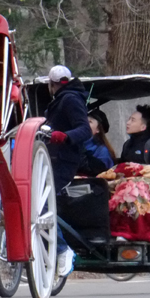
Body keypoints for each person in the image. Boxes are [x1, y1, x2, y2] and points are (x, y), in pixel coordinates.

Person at [44, 65, 92, 276]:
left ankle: (63, 249)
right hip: (54, 158)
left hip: (63, 159)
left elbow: (85, 129)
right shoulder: (63, 99)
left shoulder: (70, 99)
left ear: (51, 85)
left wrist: (64, 136)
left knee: (44, 202)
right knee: (40, 202)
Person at [78, 108, 116, 176]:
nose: (85, 124)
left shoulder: (102, 151)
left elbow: (102, 174)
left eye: (90, 122)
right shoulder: (75, 143)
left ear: (98, 129)